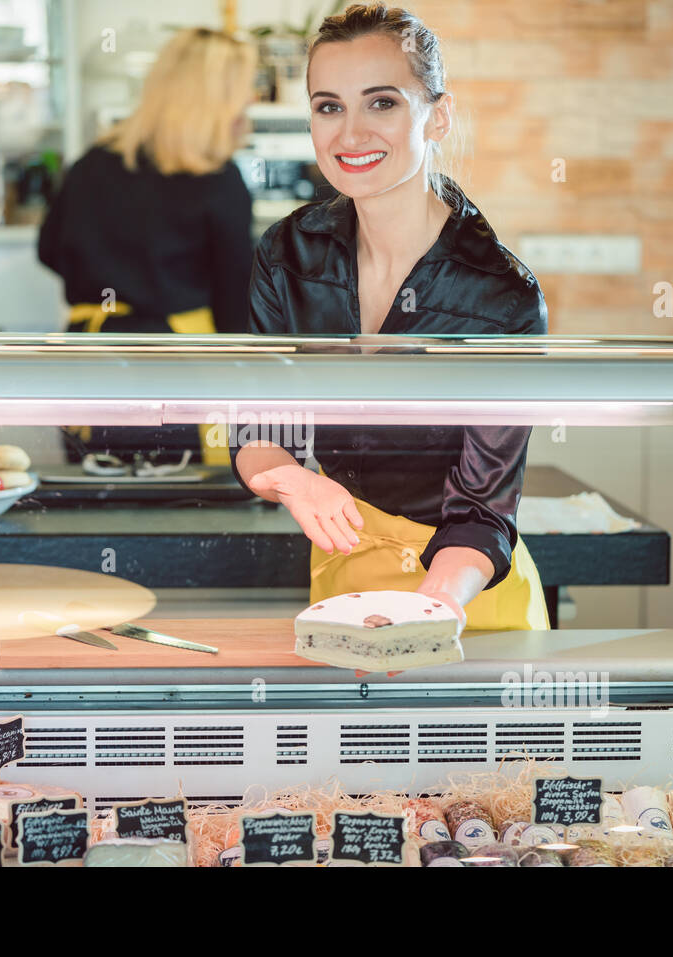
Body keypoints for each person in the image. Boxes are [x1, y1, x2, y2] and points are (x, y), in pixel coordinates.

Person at [231, 3, 550, 633]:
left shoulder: (502, 295)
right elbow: (258, 432)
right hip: (345, 580)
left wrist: (427, 610)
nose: (350, 134)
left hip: (465, 596)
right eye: (329, 106)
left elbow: (482, 514)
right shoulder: (287, 254)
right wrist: (294, 481)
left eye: (382, 103)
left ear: (439, 115)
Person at [39, 27, 256, 467]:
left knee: (98, 501)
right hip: (180, 370)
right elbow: (237, 303)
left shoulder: (90, 164)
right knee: (178, 514)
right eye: (246, 88)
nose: (251, 98)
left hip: (87, 363)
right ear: (224, 100)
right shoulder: (219, 180)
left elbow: (48, 249)